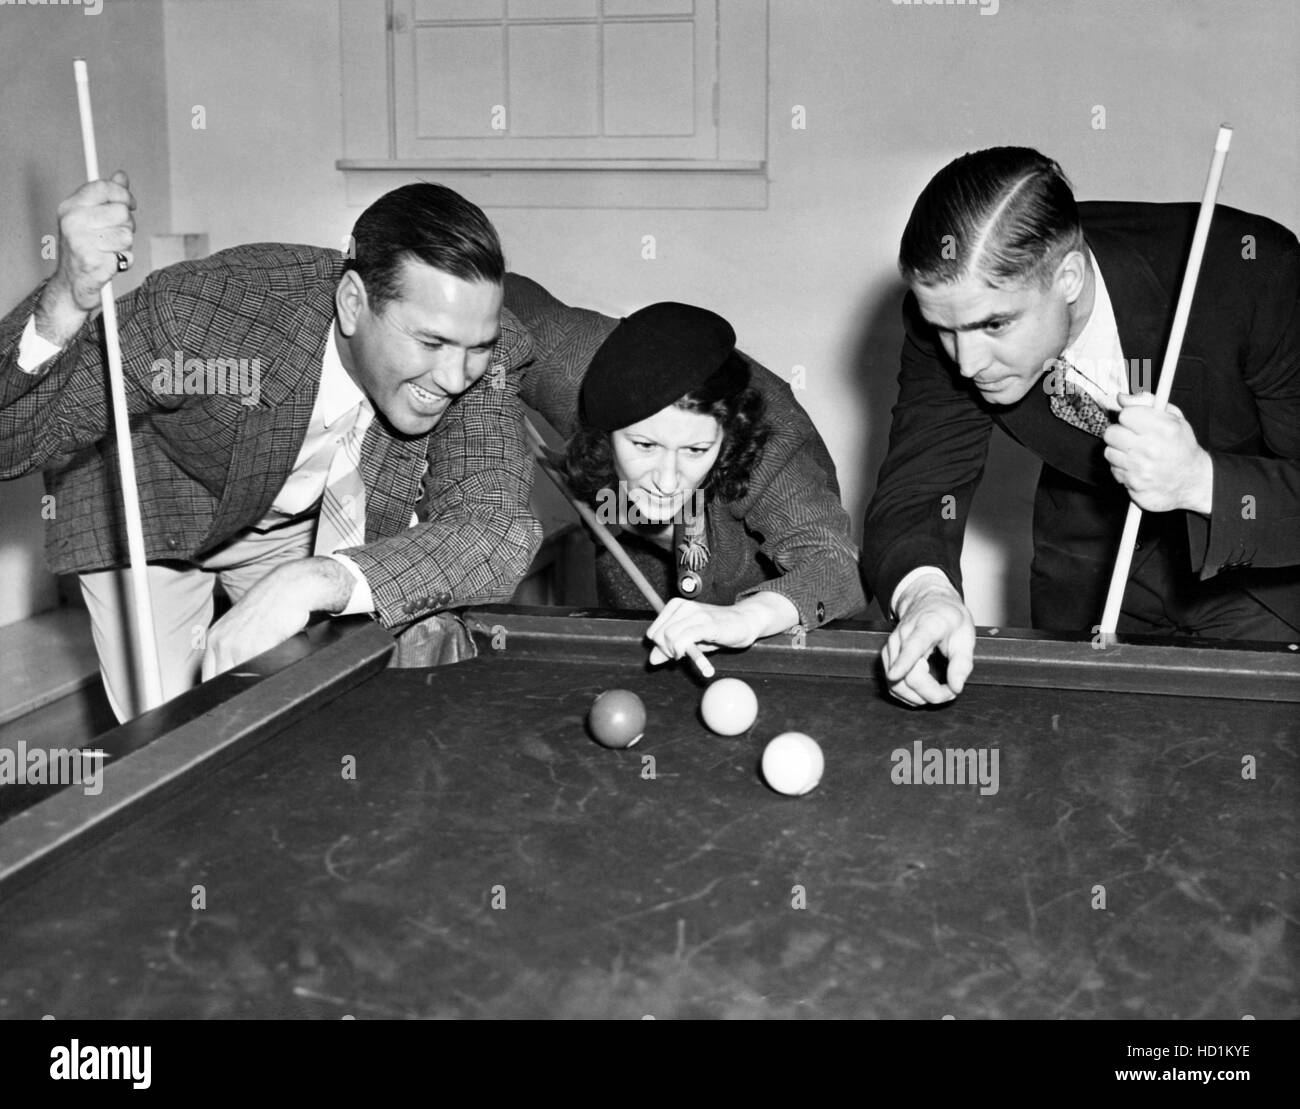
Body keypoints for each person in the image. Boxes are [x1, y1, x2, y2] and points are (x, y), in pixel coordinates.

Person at [0, 174, 541, 719]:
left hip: (290, 527)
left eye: (477, 347)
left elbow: (496, 529)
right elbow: (10, 442)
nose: (454, 376)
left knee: (315, 703)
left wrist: (312, 581)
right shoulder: (203, 315)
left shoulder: (483, 355)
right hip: (149, 511)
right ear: (353, 304)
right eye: (429, 342)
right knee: (175, 735)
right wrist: (64, 302)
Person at [862, 146, 1300, 707]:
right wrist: (927, 595)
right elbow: (919, 487)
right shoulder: (952, 315)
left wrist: (1199, 481)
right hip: (1088, 568)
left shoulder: (1252, 273)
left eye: (996, 323)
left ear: (1067, 276)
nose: (967, 363)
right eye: (945, 330)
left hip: (1255, 577)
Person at [509, 286, 866, 665]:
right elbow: (483, 291)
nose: (666, 480)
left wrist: (747, 617)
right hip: (633, 559)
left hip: (747, 582)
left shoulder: (768, 447)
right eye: (645, 445)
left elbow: (838, 565)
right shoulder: (566, 363)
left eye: (695, 450)